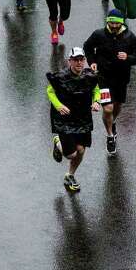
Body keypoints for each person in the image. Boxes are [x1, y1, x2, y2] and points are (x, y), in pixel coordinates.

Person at [84, 12, 136, 156]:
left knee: (117, 106)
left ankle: (113, 122)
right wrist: (92, 62)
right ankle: (110, 136)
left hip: (121, 78)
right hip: (103, 77)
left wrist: (127, 57)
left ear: (122, 23)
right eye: (112, 23)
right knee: (108, 108)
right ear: (108, 22)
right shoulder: (99, 34)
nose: (115, 26)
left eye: (117, 23)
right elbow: (88, 47)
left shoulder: (130, 37)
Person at [47, 47, 101, 193]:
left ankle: (69, 175)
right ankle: (57, 142)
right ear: (69, 61)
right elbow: (50, 91)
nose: (78, 63)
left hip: (82, 117)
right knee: (71, 154)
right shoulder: (61, 77)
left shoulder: (89, 76)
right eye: (75, 60)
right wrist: (58, 106)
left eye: (81, 59)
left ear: (84, 60)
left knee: (81, 150)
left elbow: (96, 89)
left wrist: (96, 101)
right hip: (64, 118)